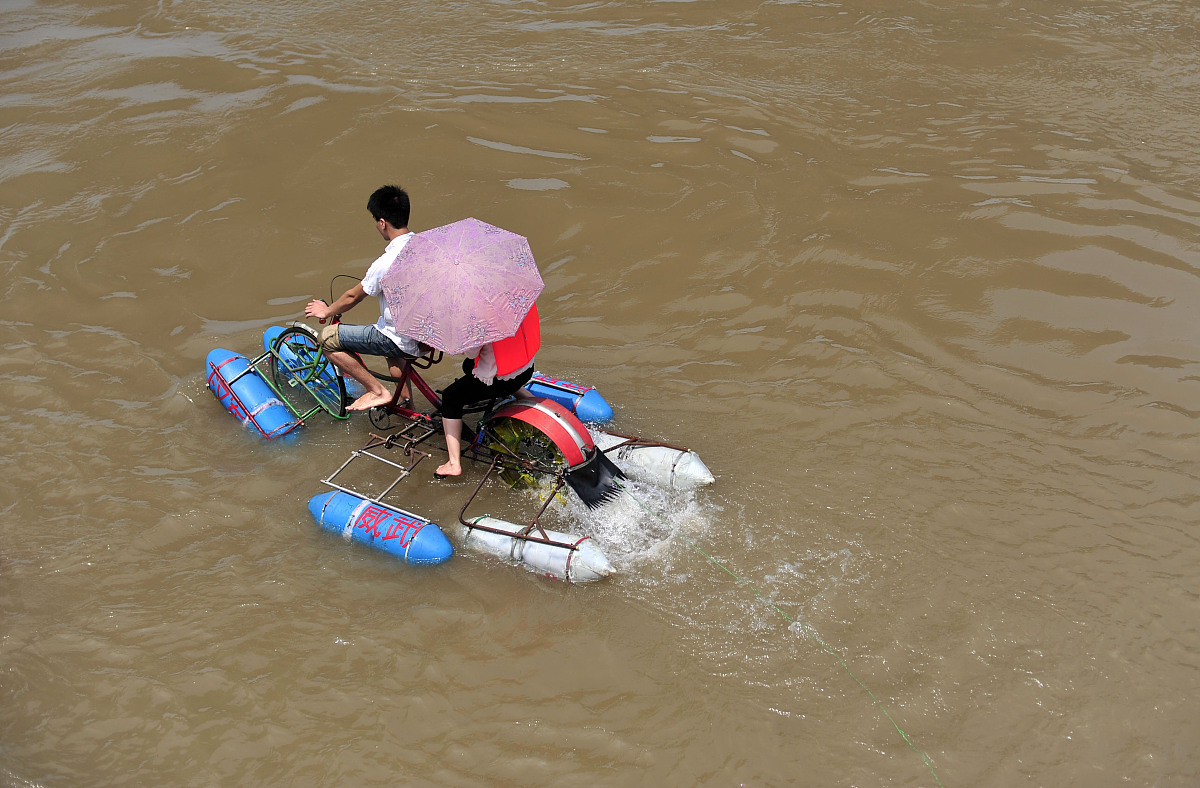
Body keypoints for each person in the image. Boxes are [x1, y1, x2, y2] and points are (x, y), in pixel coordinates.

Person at [305, 185, 421, 412]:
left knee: (328, 338)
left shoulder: (386, 262)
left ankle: (377, 391)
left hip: (401, 337)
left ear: (382, 222)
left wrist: (326, 311)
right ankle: (407, 409)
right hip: (426, 336)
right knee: (392, 345)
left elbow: (352, 297)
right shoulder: (426, 246)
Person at [435, 304, 540, 478]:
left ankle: (453, 463)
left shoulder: (478, 317)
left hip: (499, 381)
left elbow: (470, 352)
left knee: (450, 397)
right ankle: (523, 395)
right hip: (525, 368)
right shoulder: (517, 302)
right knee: (468, 367)